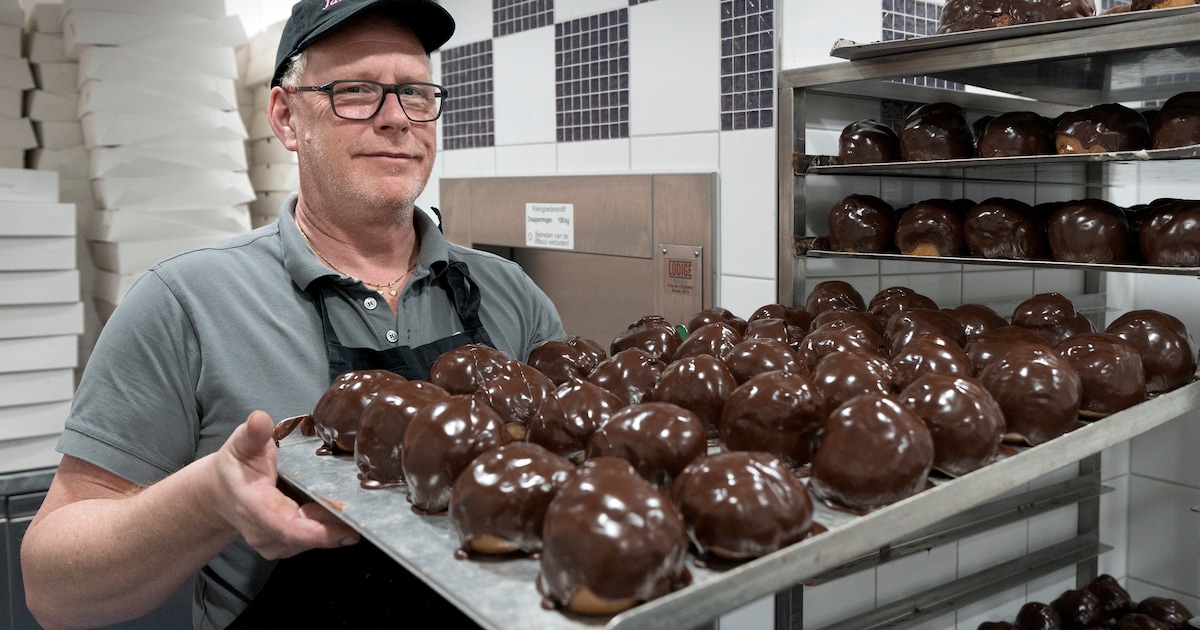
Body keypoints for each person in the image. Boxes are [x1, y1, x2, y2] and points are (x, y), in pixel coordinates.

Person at [20, 1, 566, 628]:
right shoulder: (186, 303)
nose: (396, 118)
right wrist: (207, 501)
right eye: (355, 91)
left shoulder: (511, 293)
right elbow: (52, 589)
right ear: (285, 117)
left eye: (416, 93)